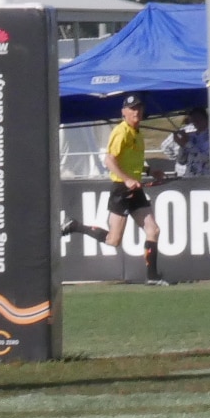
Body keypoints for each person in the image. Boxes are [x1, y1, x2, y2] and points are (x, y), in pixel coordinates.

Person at [70, 95, 161, 281]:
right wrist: (127, 180)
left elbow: (130, 161)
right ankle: (74, 225)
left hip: (134, 189)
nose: (136, 111)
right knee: (113, 240)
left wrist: (150, 170)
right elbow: (109, 160)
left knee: (153, 230)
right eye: (132, 108)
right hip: (122, 189)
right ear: (124, 112)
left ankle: (153, 277)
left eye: (138, 108)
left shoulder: (137, 133)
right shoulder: (122, 132)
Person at [160, 107, 210, 178]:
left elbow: (205, 159)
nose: (196, 122)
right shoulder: (190, 136)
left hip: (206, 178)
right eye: (193, 120)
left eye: (198, 119)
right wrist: (182, 146)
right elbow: (181, 161)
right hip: (189, 178)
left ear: (206, 119)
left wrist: (186, 144)